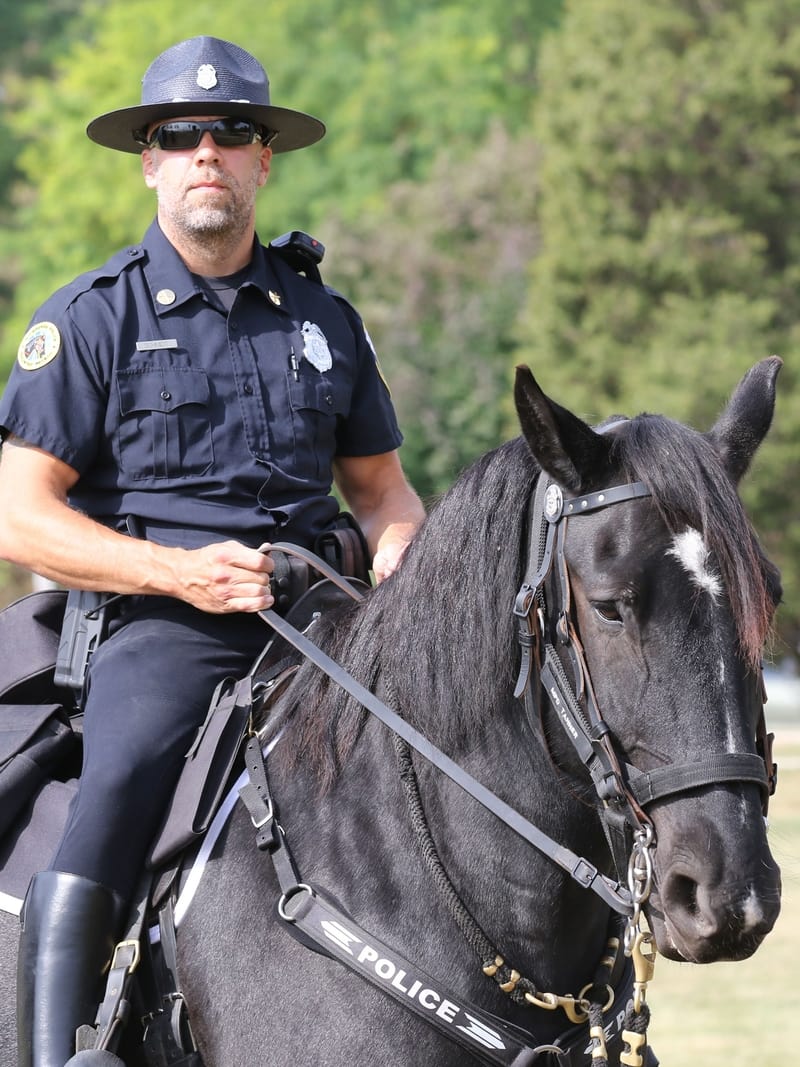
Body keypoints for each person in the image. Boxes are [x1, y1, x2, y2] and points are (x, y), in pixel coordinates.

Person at [0, 36, 425, 1067]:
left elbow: (381, 494)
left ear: (262, 159)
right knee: (120, 780)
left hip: (323, 613)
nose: (207, 153)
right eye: (179, 135)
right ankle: (58, 1048)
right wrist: (178, 572)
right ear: (148, 159)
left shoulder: (325, 318)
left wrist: (407, 572)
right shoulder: (88, 319)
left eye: (230, 133)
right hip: (168, 621)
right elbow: (18, 515)